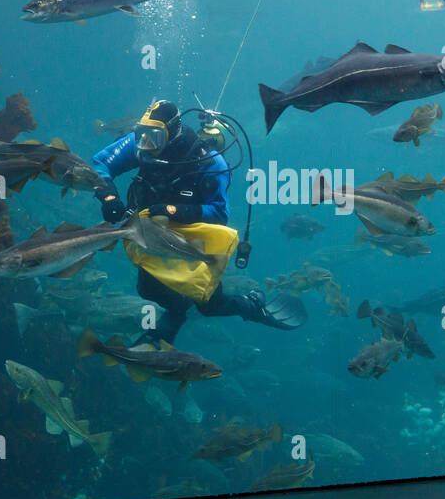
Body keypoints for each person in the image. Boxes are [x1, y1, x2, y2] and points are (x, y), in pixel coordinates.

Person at [91, 99, 305, 346]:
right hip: (151, 231)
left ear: (171, 132)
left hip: (191, 234)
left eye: (154, 137)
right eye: (142, 135)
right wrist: (108, 197)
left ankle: (251, 305)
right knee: (148, 289)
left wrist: (172, 210)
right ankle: (178, 312)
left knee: (209, 305)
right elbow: (101, 163)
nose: (146, 144)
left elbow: (218, 213)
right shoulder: (144, 142)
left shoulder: (210, 163)